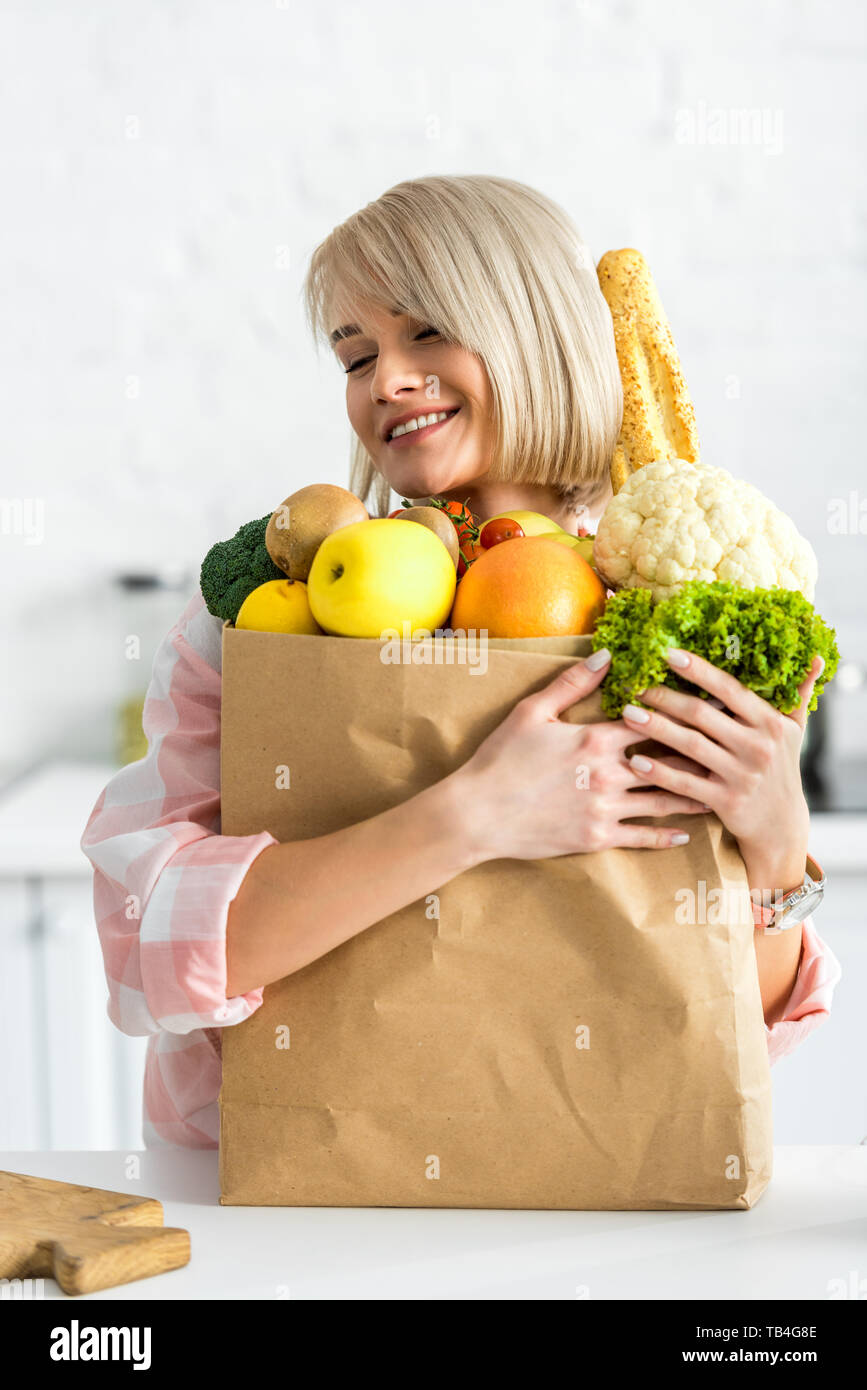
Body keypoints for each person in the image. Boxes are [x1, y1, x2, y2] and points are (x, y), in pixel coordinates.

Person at [80, 175, 840, 1148]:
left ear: (536, 333)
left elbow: (733, 1034)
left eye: (426, 332)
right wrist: (472, 815)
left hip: (591, 1189)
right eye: (356, 357)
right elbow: (143, 951)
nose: (383, 381)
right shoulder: (272, 610)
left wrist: (777, 846)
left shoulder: (677, 602)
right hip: (283, 1202)